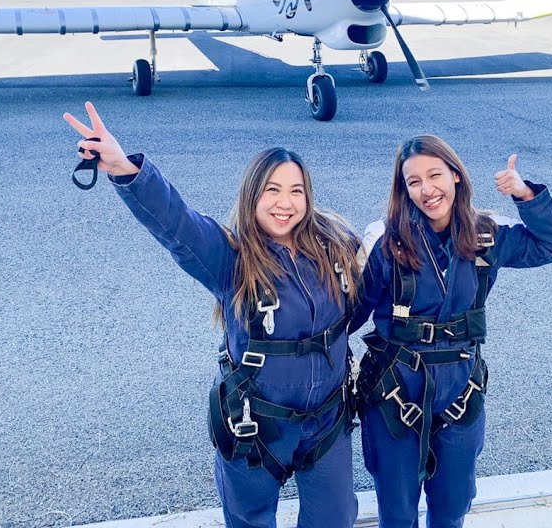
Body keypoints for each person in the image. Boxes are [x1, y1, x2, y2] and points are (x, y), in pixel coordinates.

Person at [64, 101, 363, 528]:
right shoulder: (231, 257)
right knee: (250, 521)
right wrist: (124, 170)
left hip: (327, 424)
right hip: (257, 427)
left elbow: (385, 272)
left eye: (296, 191)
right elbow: (177, 225)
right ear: (252, 196)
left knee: (335, 519)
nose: (285, 203)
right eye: (272, 190)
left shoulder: (337, 246)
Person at [351, 135, 552, 528]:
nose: (426, 189)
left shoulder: (487, 233)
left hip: (461, 391)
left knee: (452, 508)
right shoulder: (384, 240)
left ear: (456, 175)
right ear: (403, 189)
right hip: (393, 391)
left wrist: (525, 195)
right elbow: (347, 316)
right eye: (413, 181)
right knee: (397, 513)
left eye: (435, 175)